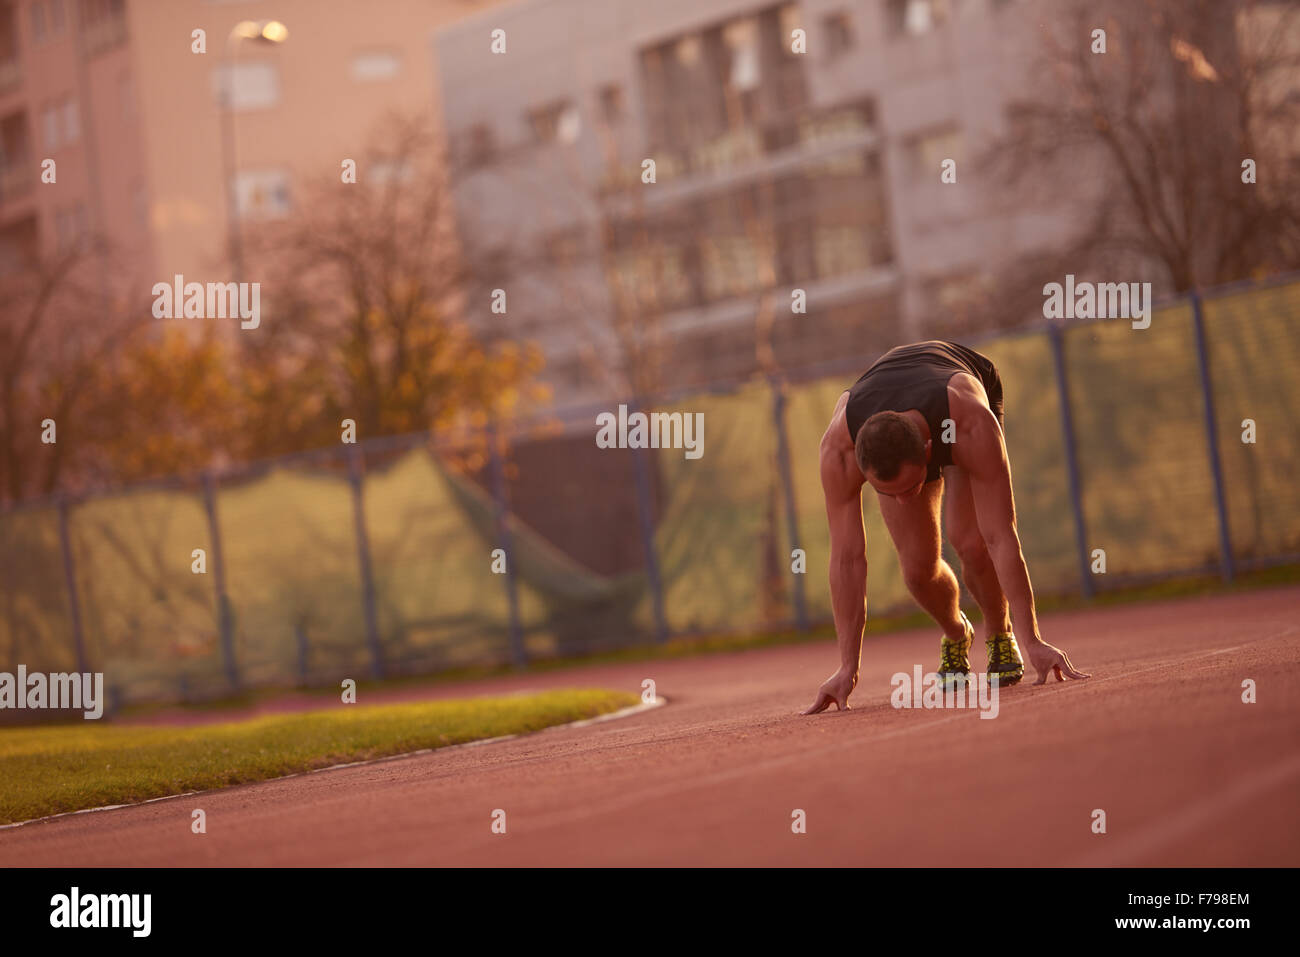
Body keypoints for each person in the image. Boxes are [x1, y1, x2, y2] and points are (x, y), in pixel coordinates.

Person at [804, 340, 1089, 714]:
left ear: (928, 452)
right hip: (904, 422)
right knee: (917, 570)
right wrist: (847, 667)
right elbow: (846, 560)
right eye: (888, 492)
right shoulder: (838, 450)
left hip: (958, 401)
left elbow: (1001, 535)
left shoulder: (970, 420)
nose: (903, 500)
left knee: (970, 541)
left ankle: (1000, 634)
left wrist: (1032, 638)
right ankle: (957, 633)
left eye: (909, 488)